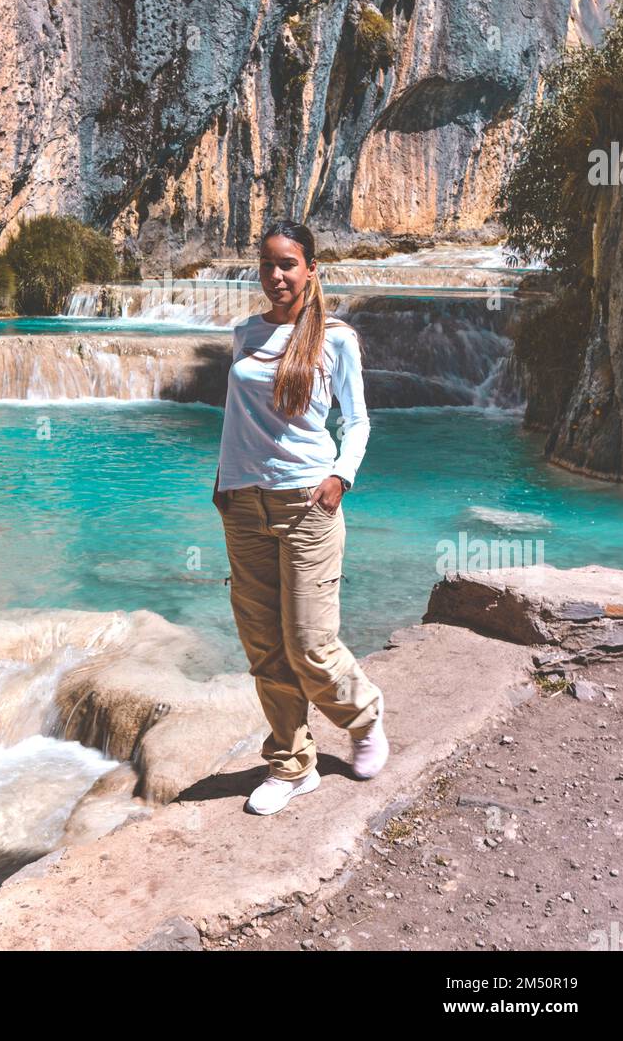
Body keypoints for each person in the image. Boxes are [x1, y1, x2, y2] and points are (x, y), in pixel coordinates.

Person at [212, 219, 389, 815]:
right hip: (243, 505)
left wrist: (341, 477)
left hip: (308, 504)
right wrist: (223, 480)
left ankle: (363, 717)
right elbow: (237, 418)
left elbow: (358, 421)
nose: (277, 275)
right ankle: (290, 765)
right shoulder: (243, 335)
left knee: (310, 643)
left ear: (310, 269)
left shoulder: (335, 338)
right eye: (267, 265)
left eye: (288, 263)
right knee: (265, 647)